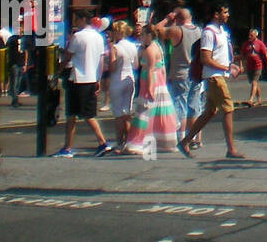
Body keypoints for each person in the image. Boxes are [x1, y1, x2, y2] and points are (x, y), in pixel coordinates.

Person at [178, 4, 245, 159]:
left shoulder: (222, 32)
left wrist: (231, 66)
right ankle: (231, 149)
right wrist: (226, 69)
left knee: (209, 112)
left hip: (219, 75)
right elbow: (205, 59)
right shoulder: (209, 32)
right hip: (214, 77)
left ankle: (185, 141)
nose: (227, 15)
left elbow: (221, 56)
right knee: (228, 109)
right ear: (216, 14)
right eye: (225, 12)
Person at [53, 8, 115, 157]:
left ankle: (102, 143)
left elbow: (67, 56)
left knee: (82, 114)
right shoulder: (98, 37)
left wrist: (57, 71)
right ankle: (67, 147)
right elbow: (101, 60)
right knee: (76, 115)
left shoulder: (78, 37)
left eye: (76, 19)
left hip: (78, 79)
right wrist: (98, 79)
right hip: (91, 78)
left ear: (82, 20)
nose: (74, 22)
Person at [125, 24, 178, 157]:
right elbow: (163, 69)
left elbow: (149, 70)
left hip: (150, 83)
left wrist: (149, 88)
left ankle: (138, 142)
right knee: (158, 113)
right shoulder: (158, 46)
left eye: (142, 35)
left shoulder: (149, 50)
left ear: (149, 35)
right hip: (159, 83)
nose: (141, 37)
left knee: (144, 114)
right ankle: (162, 142)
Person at [156, 5, 203, 147]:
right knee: (194, 106)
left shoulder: (177, 30)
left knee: (180, 106)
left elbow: (155, 30)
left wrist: (166, 19)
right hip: (196, 73)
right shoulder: (200, 31)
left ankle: (182, 139)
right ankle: (194, 138)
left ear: (178, 18)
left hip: (180, 74)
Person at [107, 21, 139, 151]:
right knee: (127, 112)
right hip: (130, 79)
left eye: (114, 31)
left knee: (118, 114)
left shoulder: (115, 47)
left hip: (117, 80)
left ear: (118, 32)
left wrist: (107, 65)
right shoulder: (133, 46)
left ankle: (120, 142)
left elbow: (113, 66)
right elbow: (136, 65)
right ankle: (129, 140)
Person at [241, 28, 267, 107]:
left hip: (258, 66)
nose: (249, 36)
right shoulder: (246, 44)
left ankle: (250, 99)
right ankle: (259, 99)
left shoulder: (260, 44)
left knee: (254, 82)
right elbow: (242, 55)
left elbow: (265, 56)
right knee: (254, 83)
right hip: (249, 66)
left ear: (255, 35)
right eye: (249, 35)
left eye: (251, 35)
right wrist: (241, 66)